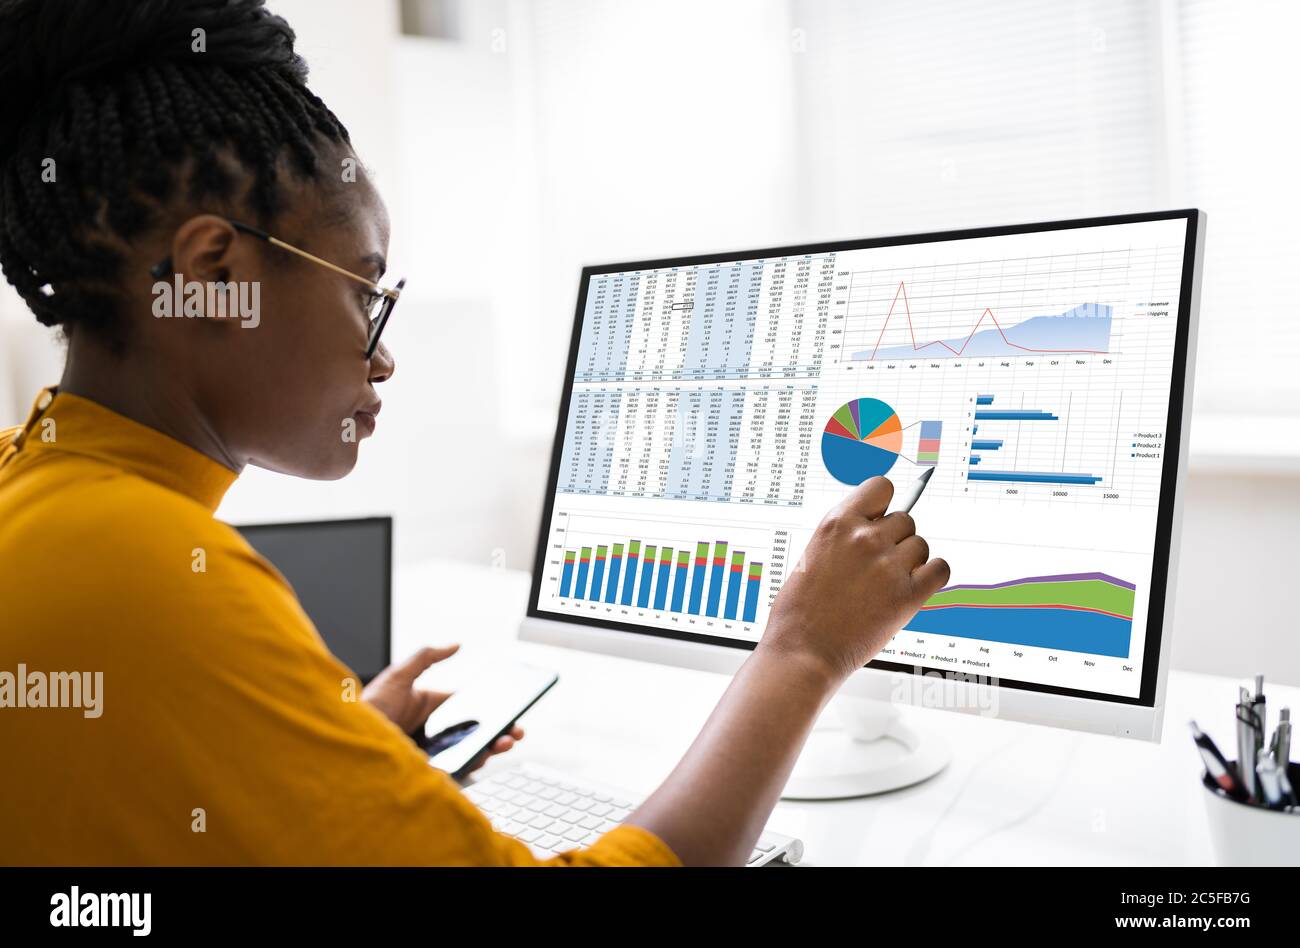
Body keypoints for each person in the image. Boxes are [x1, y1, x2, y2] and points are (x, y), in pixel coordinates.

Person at [0, 0, 949, 866]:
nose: (384, 360)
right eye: (366, 294)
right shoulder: (156, 575)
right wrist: (803, 651)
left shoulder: (34, 483)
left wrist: (321, 756)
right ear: (212, 276)